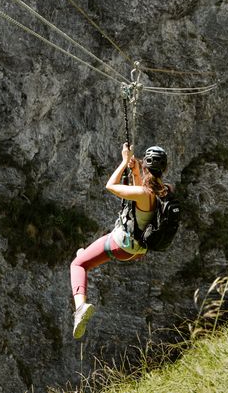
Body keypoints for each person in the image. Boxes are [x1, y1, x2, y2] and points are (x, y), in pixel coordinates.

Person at [69, 143, 170, 339]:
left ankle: (80, 307)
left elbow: (111, 186)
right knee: (84, 255)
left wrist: (124, 161)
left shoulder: (144, 193)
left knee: (78, 264)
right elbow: (142, 200)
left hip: (122, 245)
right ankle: (85, 254)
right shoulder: (165, 191)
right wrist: (135, 173)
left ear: (146, 165)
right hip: (139, 249)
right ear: (164, 168)